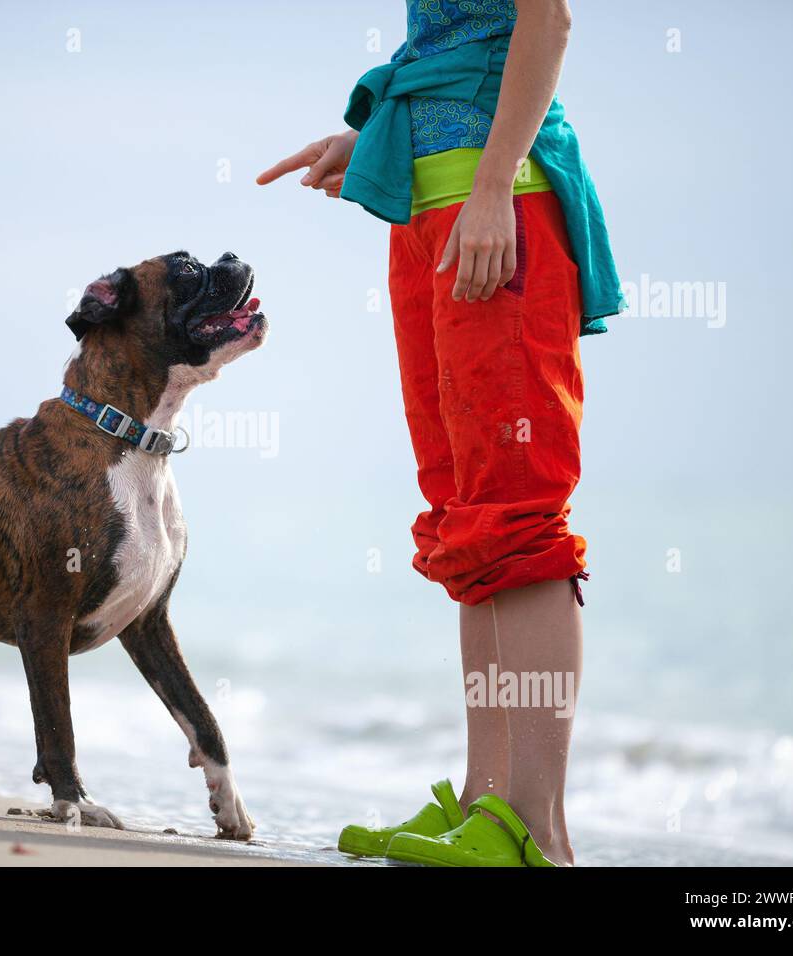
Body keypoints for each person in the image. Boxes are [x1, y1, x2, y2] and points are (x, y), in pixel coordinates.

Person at [257, 0, 623, 867]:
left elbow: (548, 18)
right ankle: (483, 805)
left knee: (519, 512)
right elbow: (453, 42)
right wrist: (385, 136)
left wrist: (494, 183)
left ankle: (535, 831)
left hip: (503, 207)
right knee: (465, 510)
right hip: (431, 212)